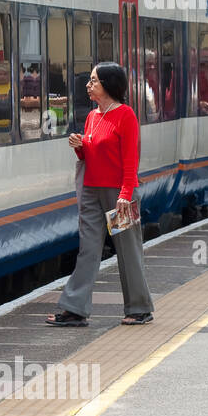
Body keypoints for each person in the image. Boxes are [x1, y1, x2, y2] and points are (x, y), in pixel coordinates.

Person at [47, 62, 154, 327]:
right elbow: (91, 154)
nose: (88, 85)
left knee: (127, 249)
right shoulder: (94, 116)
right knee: (88, 249)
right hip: (92, 192)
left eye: (94, 81)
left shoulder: (125, 116)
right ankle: (74, 309)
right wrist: (80, 147)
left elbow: (131, 161)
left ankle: (139, 308)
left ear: (108, 85)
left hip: (119, 195)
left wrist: (126, 195)